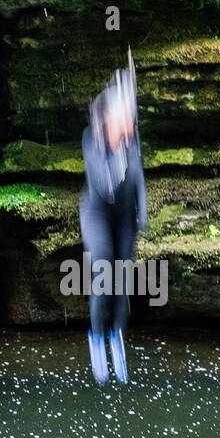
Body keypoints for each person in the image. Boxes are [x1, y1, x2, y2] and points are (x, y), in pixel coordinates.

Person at [80, 52, 148, 385]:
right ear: (109, 120)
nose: (129, 126)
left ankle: (117, 339)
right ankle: (96, 337)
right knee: (104, 271)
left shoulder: (131, 141)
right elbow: (101, 184)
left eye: (131, 120)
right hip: (96, 214)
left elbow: (140, 180)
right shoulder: (91, 140)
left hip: (124, 219)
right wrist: (118, 154)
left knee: (124, 282)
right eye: (125, 120)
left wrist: (143, 214)